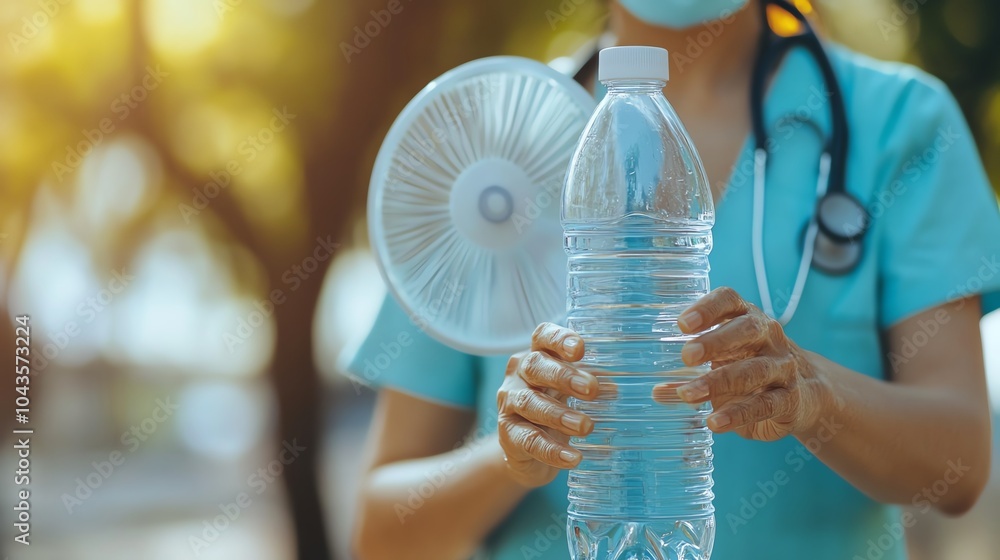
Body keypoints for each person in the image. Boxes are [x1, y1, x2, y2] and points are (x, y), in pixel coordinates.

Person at [348, 1, 1000, 559]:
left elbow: (959, 466)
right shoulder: (488, 151)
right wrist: (512, 456)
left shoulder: (900, 122)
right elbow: (381, 535)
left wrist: (815, 396)